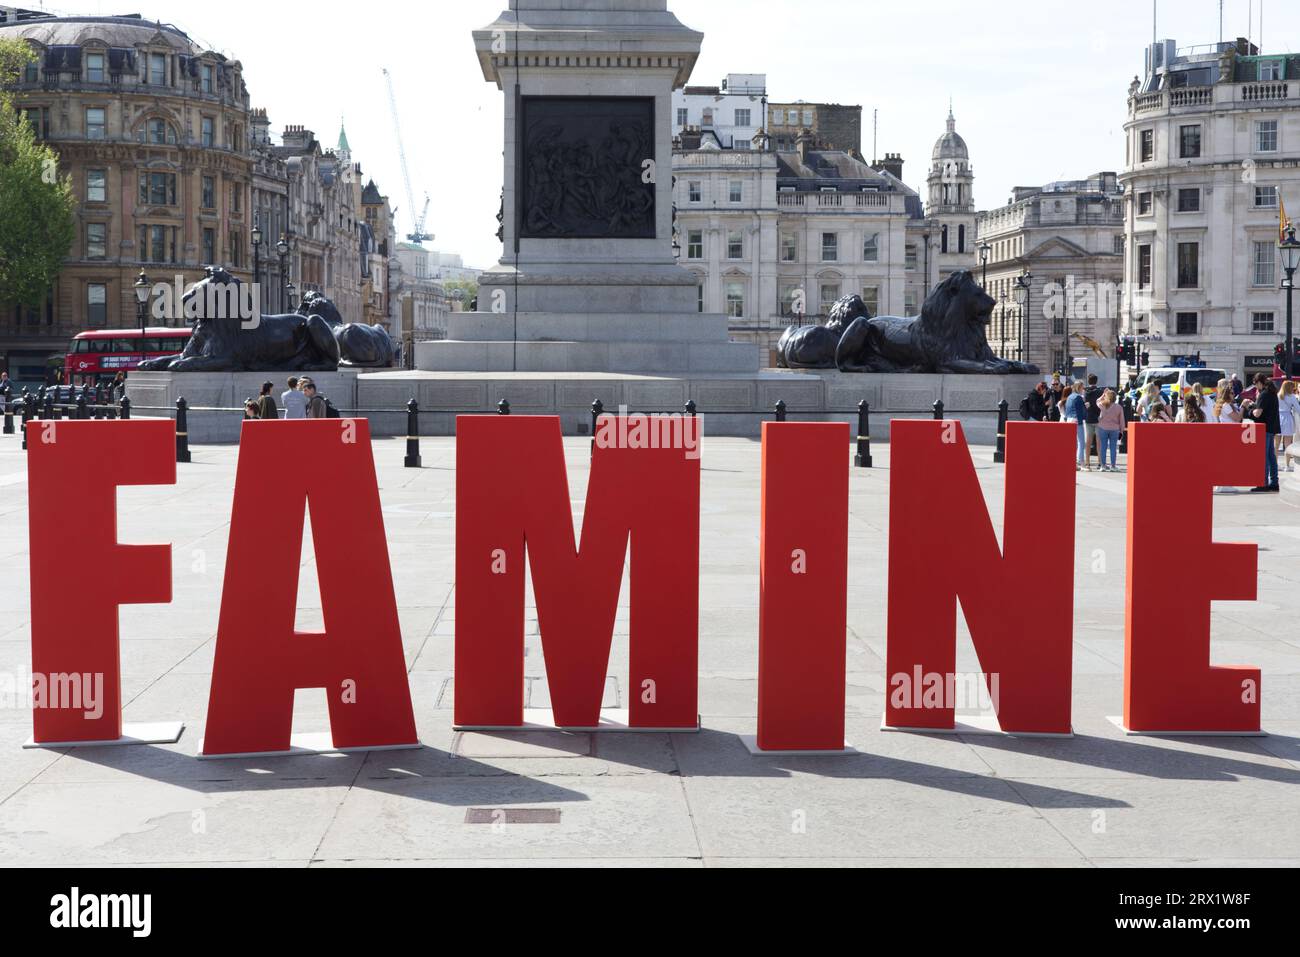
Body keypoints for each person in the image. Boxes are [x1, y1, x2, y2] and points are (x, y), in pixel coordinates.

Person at [1247, 373, 1281, 493]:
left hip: (1264, 429)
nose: (1256, 387)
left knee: (1264, 456)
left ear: (1259, 382)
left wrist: (1248, 410)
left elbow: (1257, 414)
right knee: (1271, 456)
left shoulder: (1263, 394)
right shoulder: (1272, 393)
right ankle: (1274, 482)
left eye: (1255, 384)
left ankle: (1263, 482)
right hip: (1272, 428)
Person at [1097, 389, 1125, 472]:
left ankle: (1103, 465)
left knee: (1103, 447)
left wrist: (1103, 394)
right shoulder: (1119, 407)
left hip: (1102, 428)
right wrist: (1121, 431)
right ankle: (1113, 466)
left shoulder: (1103, 404)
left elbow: (1097, 401)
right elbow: (1122, 420)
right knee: (1113, 448)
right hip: (1114, 429)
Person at [1064, 381, 1088, 470]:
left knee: (1073, 443)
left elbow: (1067, 409)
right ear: (1079, 387)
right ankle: (1080, 462)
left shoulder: (1070, 397)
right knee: (1081, 442)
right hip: (1077, 420)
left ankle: (1074, 463)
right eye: (1082, 387)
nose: (1083, 389)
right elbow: (1081, 411)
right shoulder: (1078, 397)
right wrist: (1086, 408)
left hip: (1069, 419)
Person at [1278, 380, 1300, 472]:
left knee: (1276, 444)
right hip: (1287, 418)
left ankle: (1276, 465)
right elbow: (1298, 409)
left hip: (1278, 418)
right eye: (1292, 387)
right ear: (1288, 387)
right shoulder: (1292, 397)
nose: (1293, 388)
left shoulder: (1278, 396)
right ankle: (1287, 465)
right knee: (1287, 444)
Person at [1083, 374, 1104, 469]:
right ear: (1096, 381)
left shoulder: (1085, 392)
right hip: (1098, 418)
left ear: (1088, 381)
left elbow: (1085, 404)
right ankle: (1100, 462)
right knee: (1099, 441)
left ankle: (1087, 462)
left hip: (1088, 418)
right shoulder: (1100, 391)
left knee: (1088, 441)